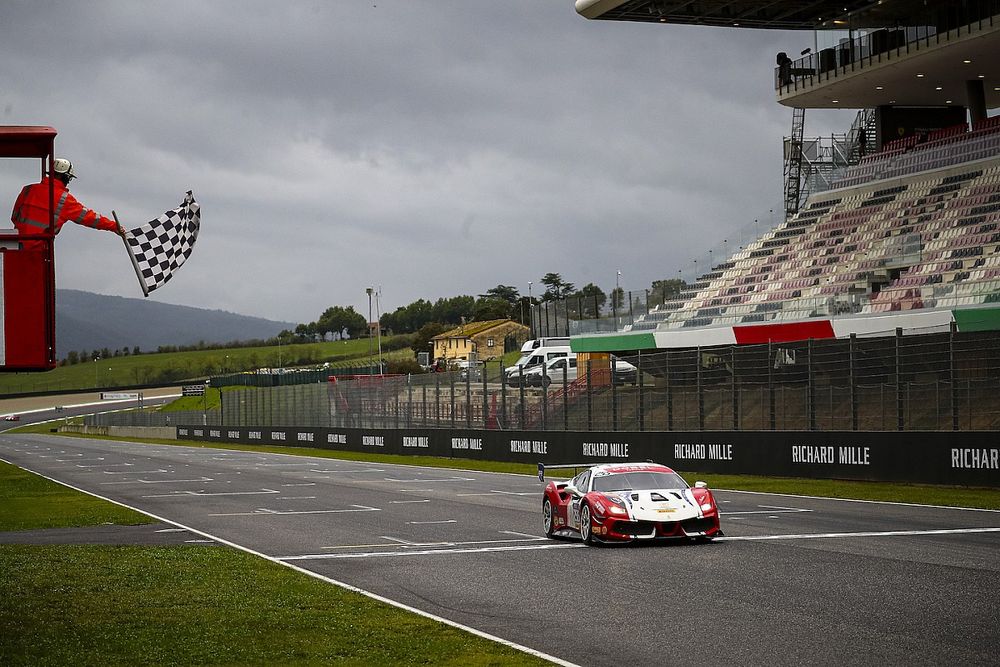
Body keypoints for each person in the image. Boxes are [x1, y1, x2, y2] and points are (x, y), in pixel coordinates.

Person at [10, 158, 125, 251]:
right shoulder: (64, 200)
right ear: (64, 177)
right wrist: (114, 226)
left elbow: (14, 216)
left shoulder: (28, 189)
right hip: (39, 251)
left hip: (15, 246)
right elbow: (90, 218)